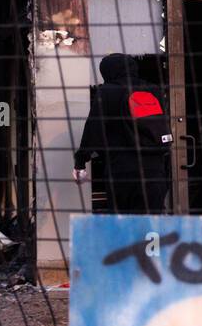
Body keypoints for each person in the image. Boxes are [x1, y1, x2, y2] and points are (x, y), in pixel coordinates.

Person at [73, 53, 172, 213]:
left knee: (123, 225)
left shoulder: (107, 92)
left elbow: (94, 129)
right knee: (151, 225)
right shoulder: (154, 90)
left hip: (122, 172)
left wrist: (80, 161)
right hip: (155, 172)